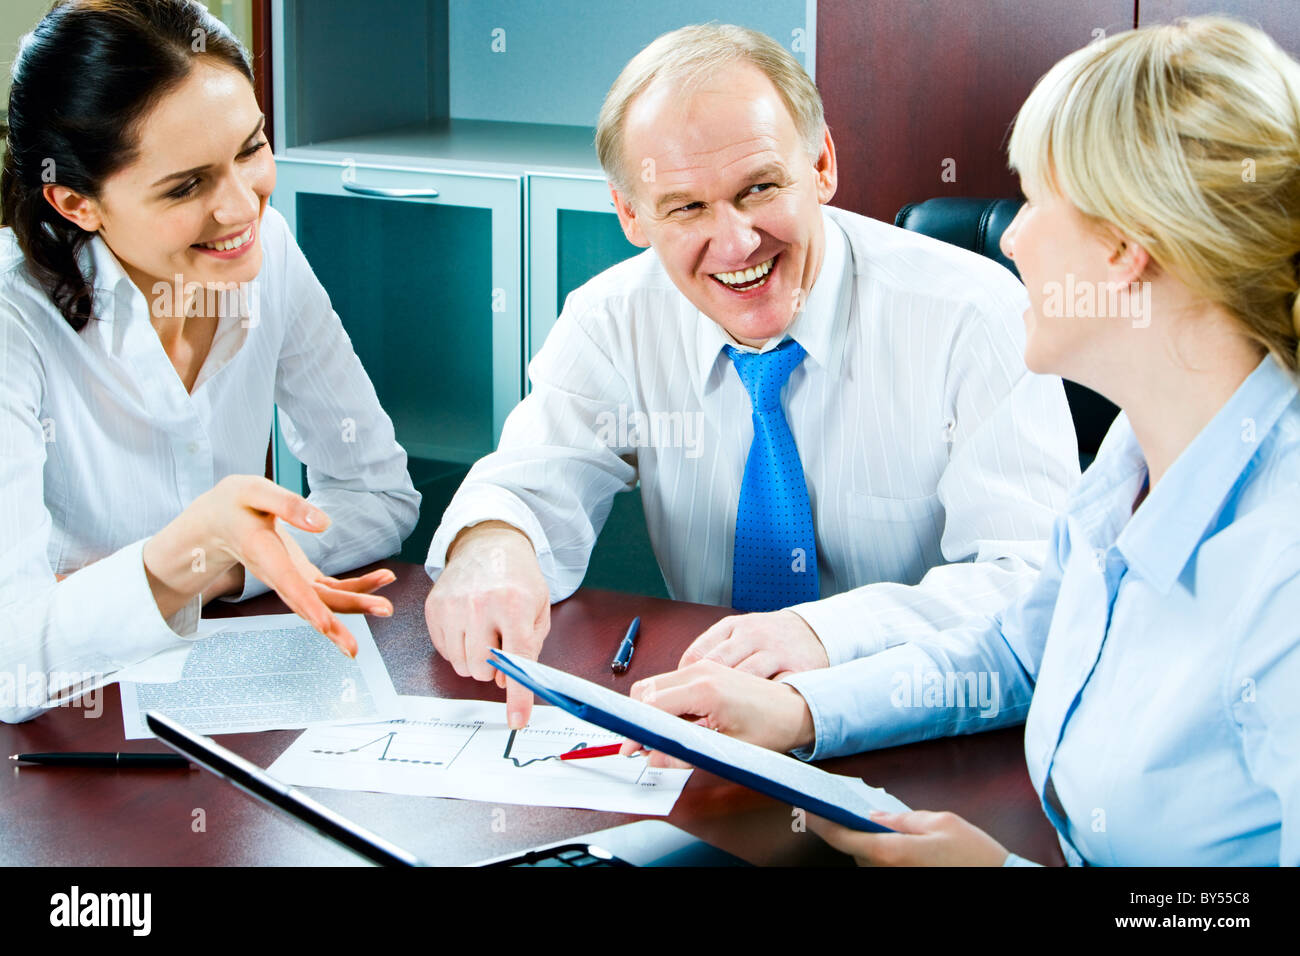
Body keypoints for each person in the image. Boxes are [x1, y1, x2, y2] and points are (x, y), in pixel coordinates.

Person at [622, 15, 1300, 866]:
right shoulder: (1140, 452)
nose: (1011, 237)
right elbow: (1020, 646)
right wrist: (798, 710)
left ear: (1130, 246)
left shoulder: (1283, 568)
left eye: (1039, 202)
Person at [423, 24, 1081, 729]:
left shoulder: (974, 317)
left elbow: (1031, 586)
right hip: (711, 731)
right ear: (631, 213)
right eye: (687, 207)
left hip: (922, 737)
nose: (736, 243)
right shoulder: (612, 318)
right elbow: (528, 479)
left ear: (822, 164)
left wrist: (821, 635)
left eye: (759, 188)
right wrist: (492, 544)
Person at [0, 0, 420, 723]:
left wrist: (212, 566)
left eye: (251, 149)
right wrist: (196, 542)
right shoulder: (14, 320)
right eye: (186, 185)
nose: (241, 208)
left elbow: (380, 496)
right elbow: (13, 665)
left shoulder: (268, 248)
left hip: (229, 705)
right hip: (71, 741)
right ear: (77, 203)